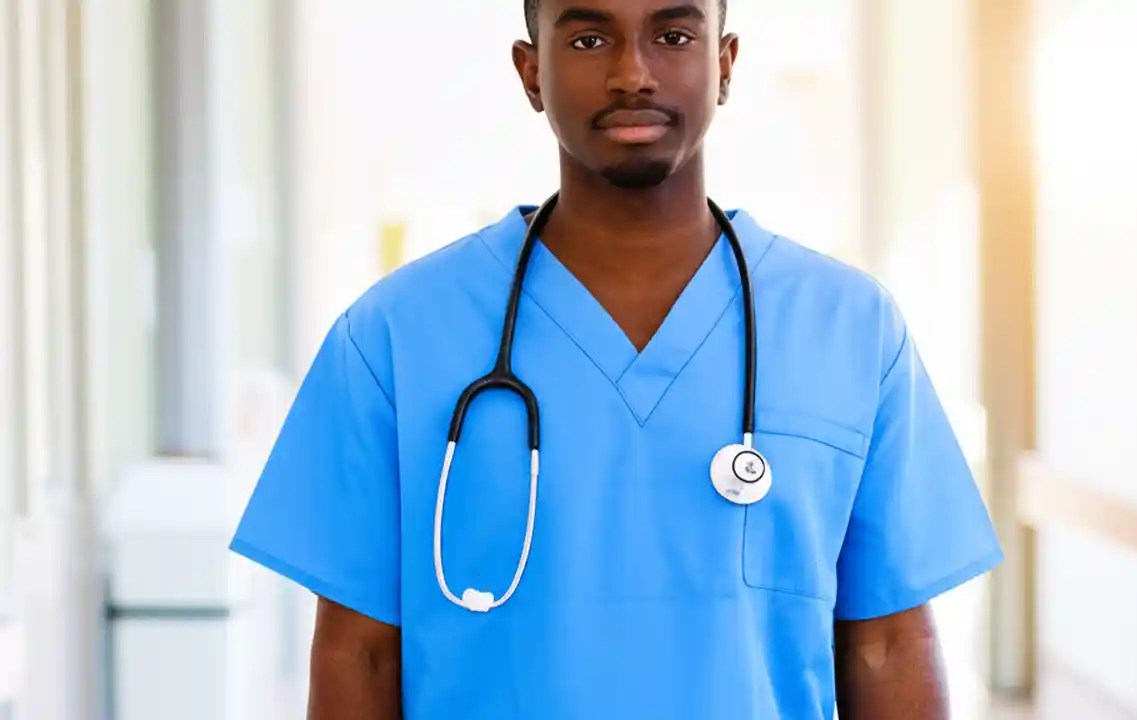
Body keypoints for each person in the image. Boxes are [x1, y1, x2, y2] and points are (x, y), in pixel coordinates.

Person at [228, 0, 1003, 717]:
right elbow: (359, 653)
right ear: (532, 71)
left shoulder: (850, 329)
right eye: (590, 38)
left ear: (724, 63)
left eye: (673, 35)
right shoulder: (394, 336)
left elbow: (886, 643)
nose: (633, 73)